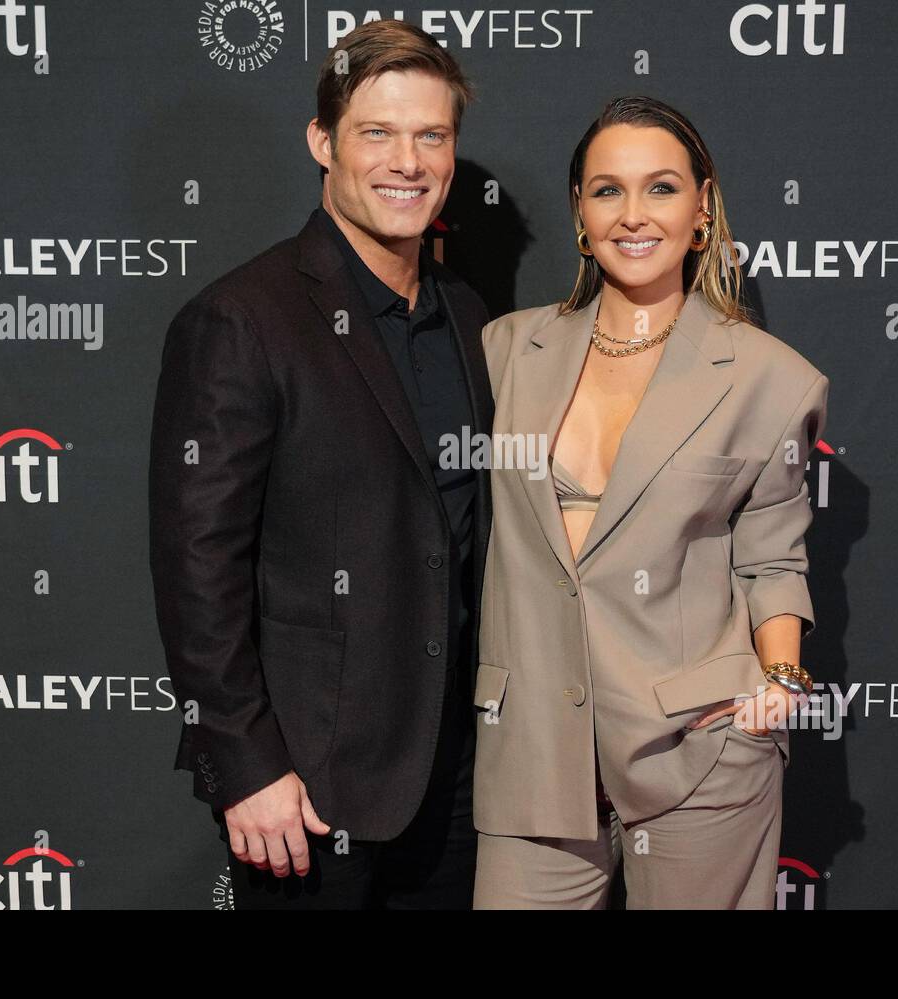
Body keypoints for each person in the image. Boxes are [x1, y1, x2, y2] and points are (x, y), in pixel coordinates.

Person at [148, 20, 492, 909]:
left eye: (432, 135)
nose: (407, 161)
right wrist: (245, 762)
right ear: (323, 142)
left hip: (460, 775)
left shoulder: (466, 313)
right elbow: (197, 564)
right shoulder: (243, 318)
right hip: (307, 779)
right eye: (377, 132)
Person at [472, 95, 829, 908]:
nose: (633, 215)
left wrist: (775, 680)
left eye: (661, 188)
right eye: (607, 190)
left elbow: (773, 555)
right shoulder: (504, 351)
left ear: (703, 209)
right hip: (530, 749)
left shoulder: (770, 377)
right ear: (579, 214)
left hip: (697, 747)